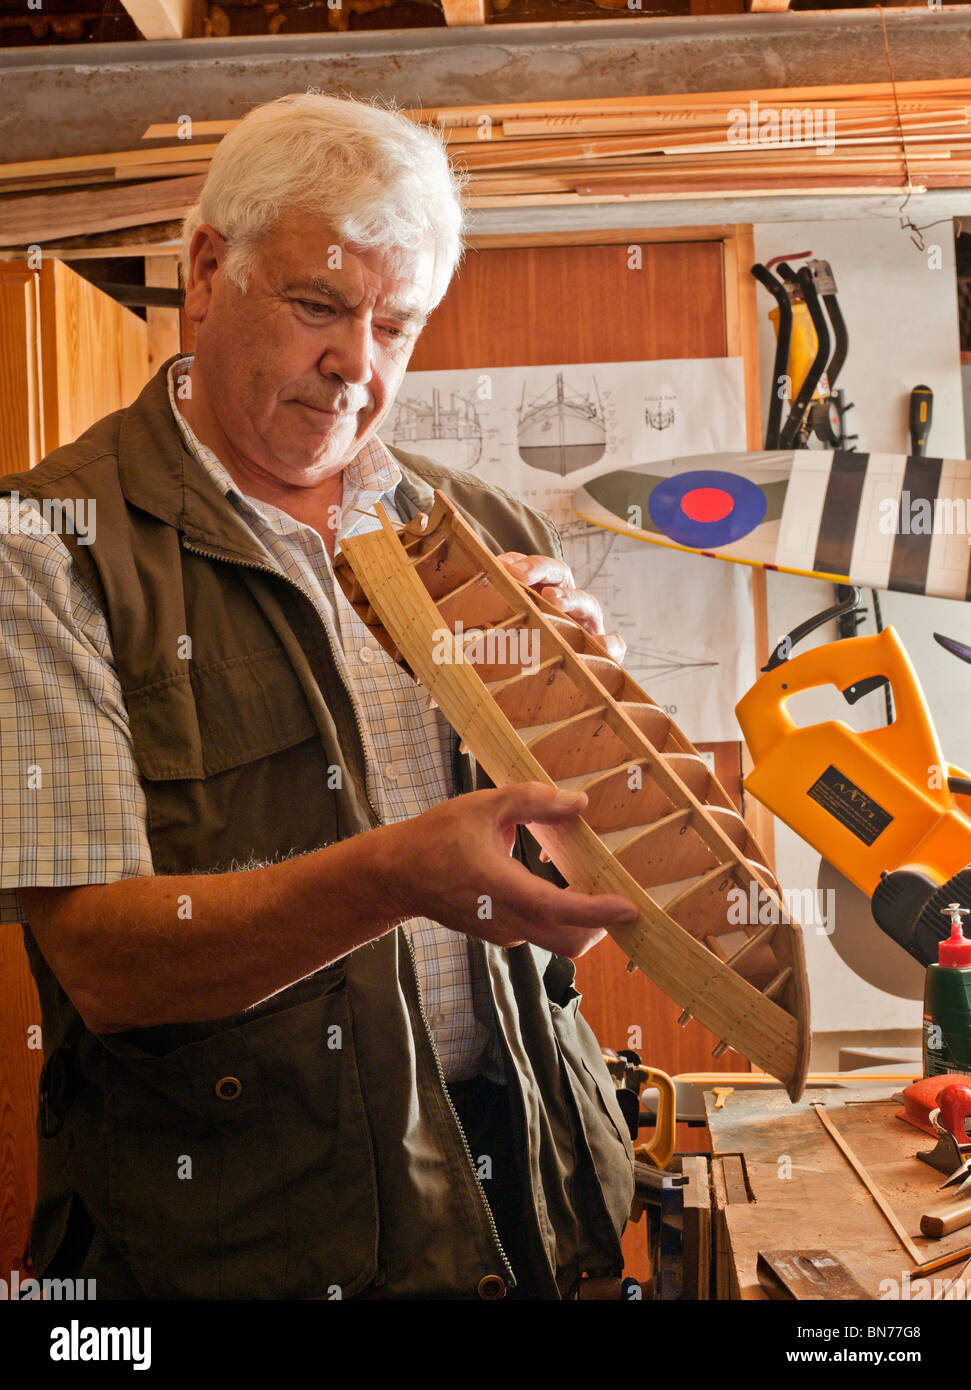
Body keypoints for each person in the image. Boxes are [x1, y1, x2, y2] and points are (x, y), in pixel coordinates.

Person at [0, 92, 638, 1301]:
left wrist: (579, 714)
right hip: (244, 1242)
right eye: (318, 307)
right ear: (204, 271)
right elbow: (107, 964)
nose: (358, 366)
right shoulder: (46, 546)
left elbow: (580, 860)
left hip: (530, 1193)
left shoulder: (479, 528)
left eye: (397, 326)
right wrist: (397, 875)